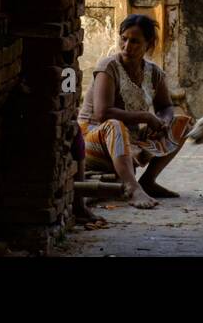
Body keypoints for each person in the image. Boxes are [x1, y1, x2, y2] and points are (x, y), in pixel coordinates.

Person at [77, 14, 191, 208]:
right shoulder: (108, 67)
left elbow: (166, 106)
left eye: (135, 41)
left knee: (183, 123)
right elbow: (101, 114)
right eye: (124, 39)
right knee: (114, 125)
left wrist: (162, 121)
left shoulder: (154, 72)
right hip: (94, 138)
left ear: (149, 44)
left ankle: (148, 181)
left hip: (128, 139)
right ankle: (133, 189)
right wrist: (146, 116)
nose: (127, 46)